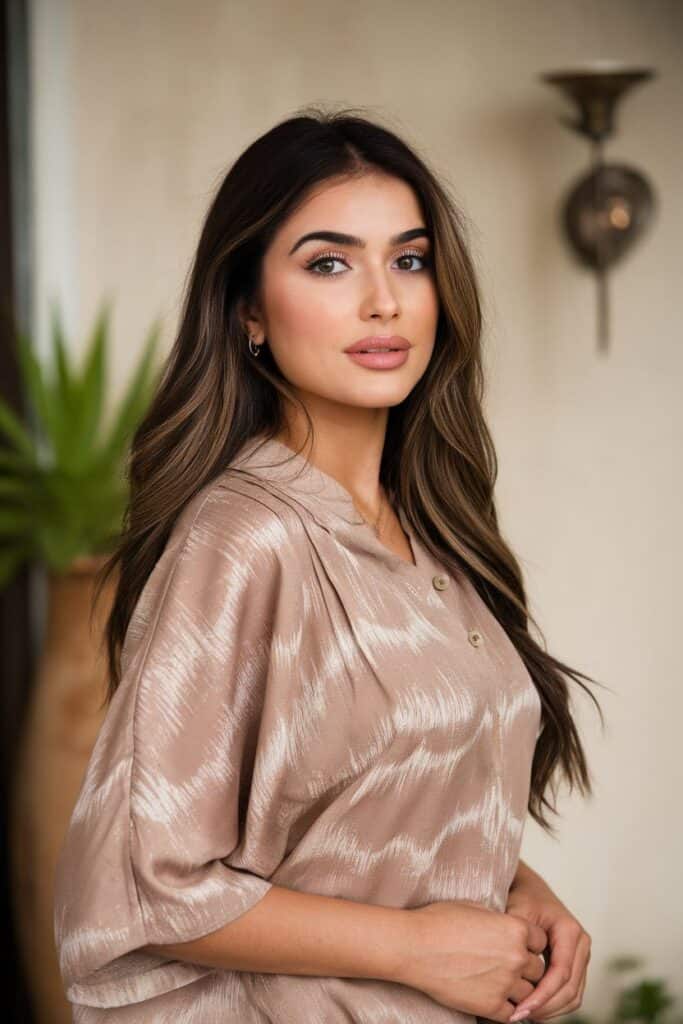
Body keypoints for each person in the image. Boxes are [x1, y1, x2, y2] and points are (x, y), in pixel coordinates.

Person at [53, 106, 601, 1023]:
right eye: (328, 262)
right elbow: (142, 881)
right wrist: (416, 948)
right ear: (249, 313)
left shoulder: (435, 534)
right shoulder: (241, 537)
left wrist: (517, 887)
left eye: (410, 259)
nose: (382, 299)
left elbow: (371, 807)